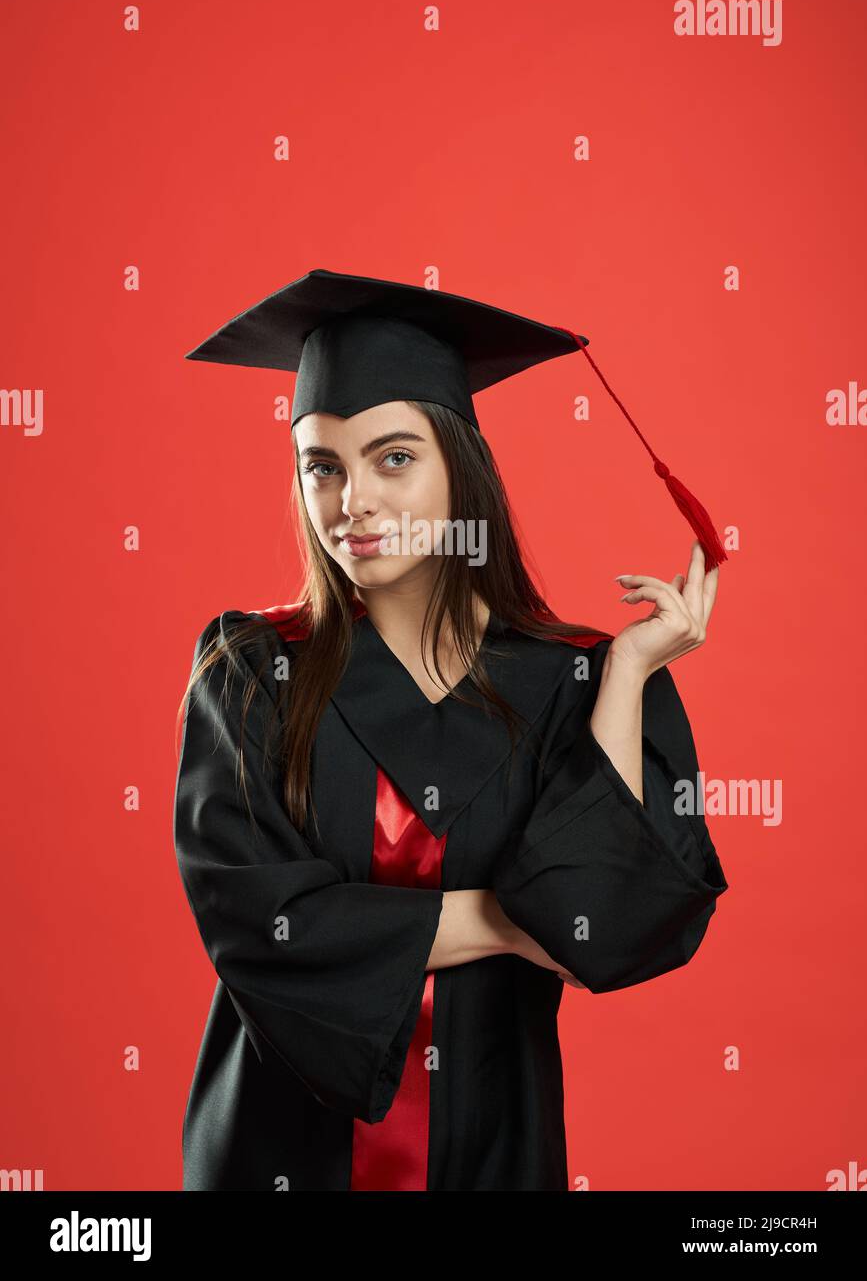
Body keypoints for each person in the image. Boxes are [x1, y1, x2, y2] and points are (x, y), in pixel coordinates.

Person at [173, 270, 729, 1191]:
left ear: (460, 466)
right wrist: (512, 918)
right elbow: (259, 927)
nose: (353, 499)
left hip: (493, 1139)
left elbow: (611, 927)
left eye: (394, 457)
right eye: (323, 464)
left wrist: (628, 672)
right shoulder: (252, 672)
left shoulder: (569, 679)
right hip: (280, 1149)